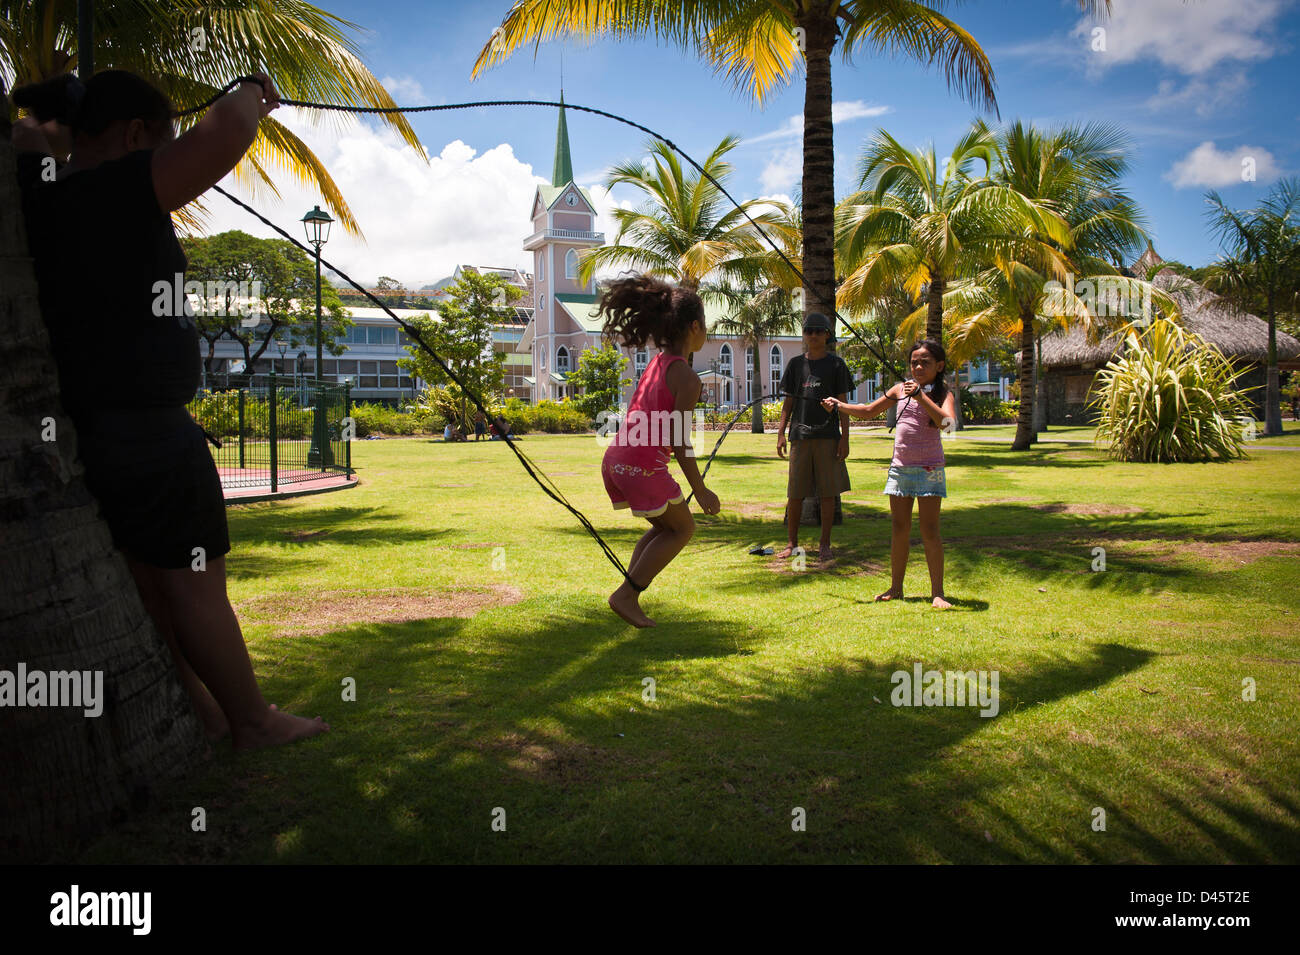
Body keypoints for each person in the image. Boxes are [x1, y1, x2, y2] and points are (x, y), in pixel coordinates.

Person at [13, 70, 330, 747]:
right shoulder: (111, 192)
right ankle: (252, 718)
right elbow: (226, 134)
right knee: (193, 587)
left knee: (154, 592)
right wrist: (253, 91)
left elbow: (31, 141)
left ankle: (210, 715)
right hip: (150, 434)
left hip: (98, 431)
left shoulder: (46, 197)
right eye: (162, 140)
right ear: (134, 135)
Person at [597, 275, 720, 627]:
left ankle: (628, 594)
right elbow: (681, 442)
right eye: (705, 325)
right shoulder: (687, 378)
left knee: (665, 528)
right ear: (694, 326)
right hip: (641, 465)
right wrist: (701, 490)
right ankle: (626, 595)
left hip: (617, 458)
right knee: (683, 529)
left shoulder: (655, 364)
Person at [823, 339, 957, 609]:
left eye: (925, 362)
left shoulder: (943, 393)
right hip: (900, 469)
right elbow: (867, 411)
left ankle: (938, 593)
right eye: (914, 362)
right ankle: (896, 588)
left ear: (939, 366)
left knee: (930, 530)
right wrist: (838, 405)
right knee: (899, 529)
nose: (918, 366)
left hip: (930, 469)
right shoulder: (899, 389)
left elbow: (949, 425)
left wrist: (921, 396)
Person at [775, 312, 853, 562]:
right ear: (804, 335)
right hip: (799, 435)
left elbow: (844, 404)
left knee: (828, 493)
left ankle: (825, 544)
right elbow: (788, 403)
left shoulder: (837, 365)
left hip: (829, 436)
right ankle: (791, 544)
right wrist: (781, 433)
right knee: (795, 492)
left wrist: (845, 438)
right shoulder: (795, 365)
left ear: (827, 335)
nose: (814, 335)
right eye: (809, 331)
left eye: (819, 331)